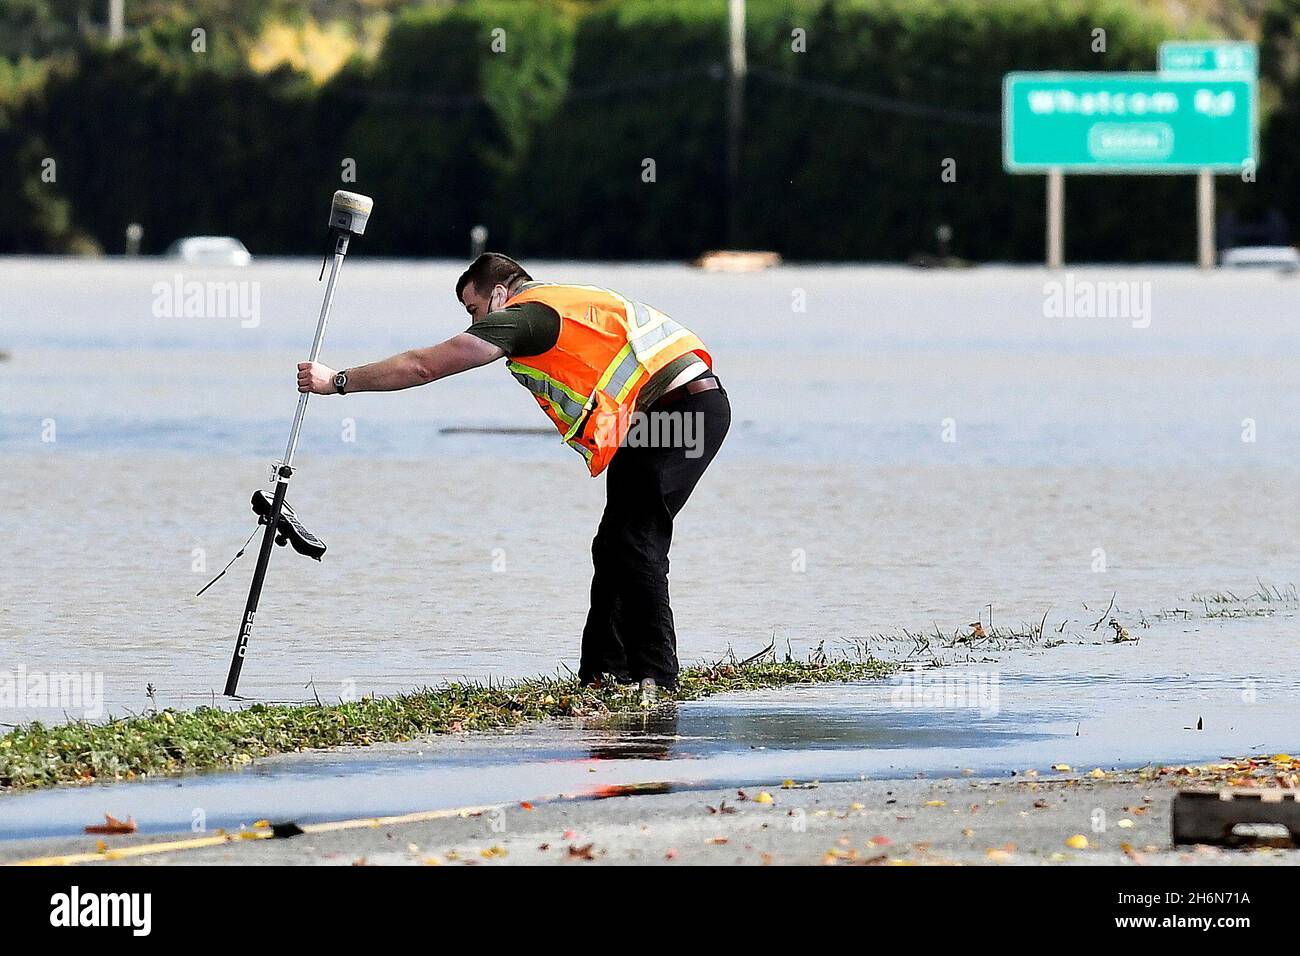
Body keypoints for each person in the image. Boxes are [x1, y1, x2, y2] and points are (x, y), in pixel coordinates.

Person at [297, 253, 730, 697]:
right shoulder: (561, 301)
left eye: (473, 309)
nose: (475, 321)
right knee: (614, 543)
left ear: (500, 293)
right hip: (658, 417)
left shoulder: (527, 317)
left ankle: (657, 678)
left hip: (681, 413)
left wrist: (338, 381)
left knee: (637, 540)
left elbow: (426, 365)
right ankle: (603, 674)